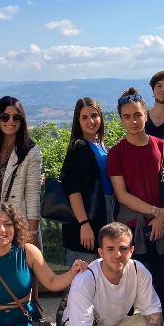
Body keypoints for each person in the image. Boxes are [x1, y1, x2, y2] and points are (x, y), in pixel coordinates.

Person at [108, 88, 164, 307]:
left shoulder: (162, 146)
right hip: (131, 227)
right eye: (127, 117)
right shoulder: (116, 153)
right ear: (121, 120)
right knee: (132, 286)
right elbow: (122, 195)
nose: (133, 121)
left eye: (137, 115)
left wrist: (163, 216)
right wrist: (156, 212)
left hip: (162, 226)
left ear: (146, 115)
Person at [59, 97, 114, 265]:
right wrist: (84, 223)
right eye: (84, 117)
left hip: (104, 212)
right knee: (84, 278)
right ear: (78, 121)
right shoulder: (79, 147)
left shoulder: (101, 144)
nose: (91, 121)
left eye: (94, 115)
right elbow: (72, 189)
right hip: (86, 219)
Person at [0, 96, 42, 237]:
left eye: (16, 117)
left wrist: (32, 234)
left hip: (16, 226)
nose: (11, 121)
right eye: (5, 117)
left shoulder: (31, 152)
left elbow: (33, 197)